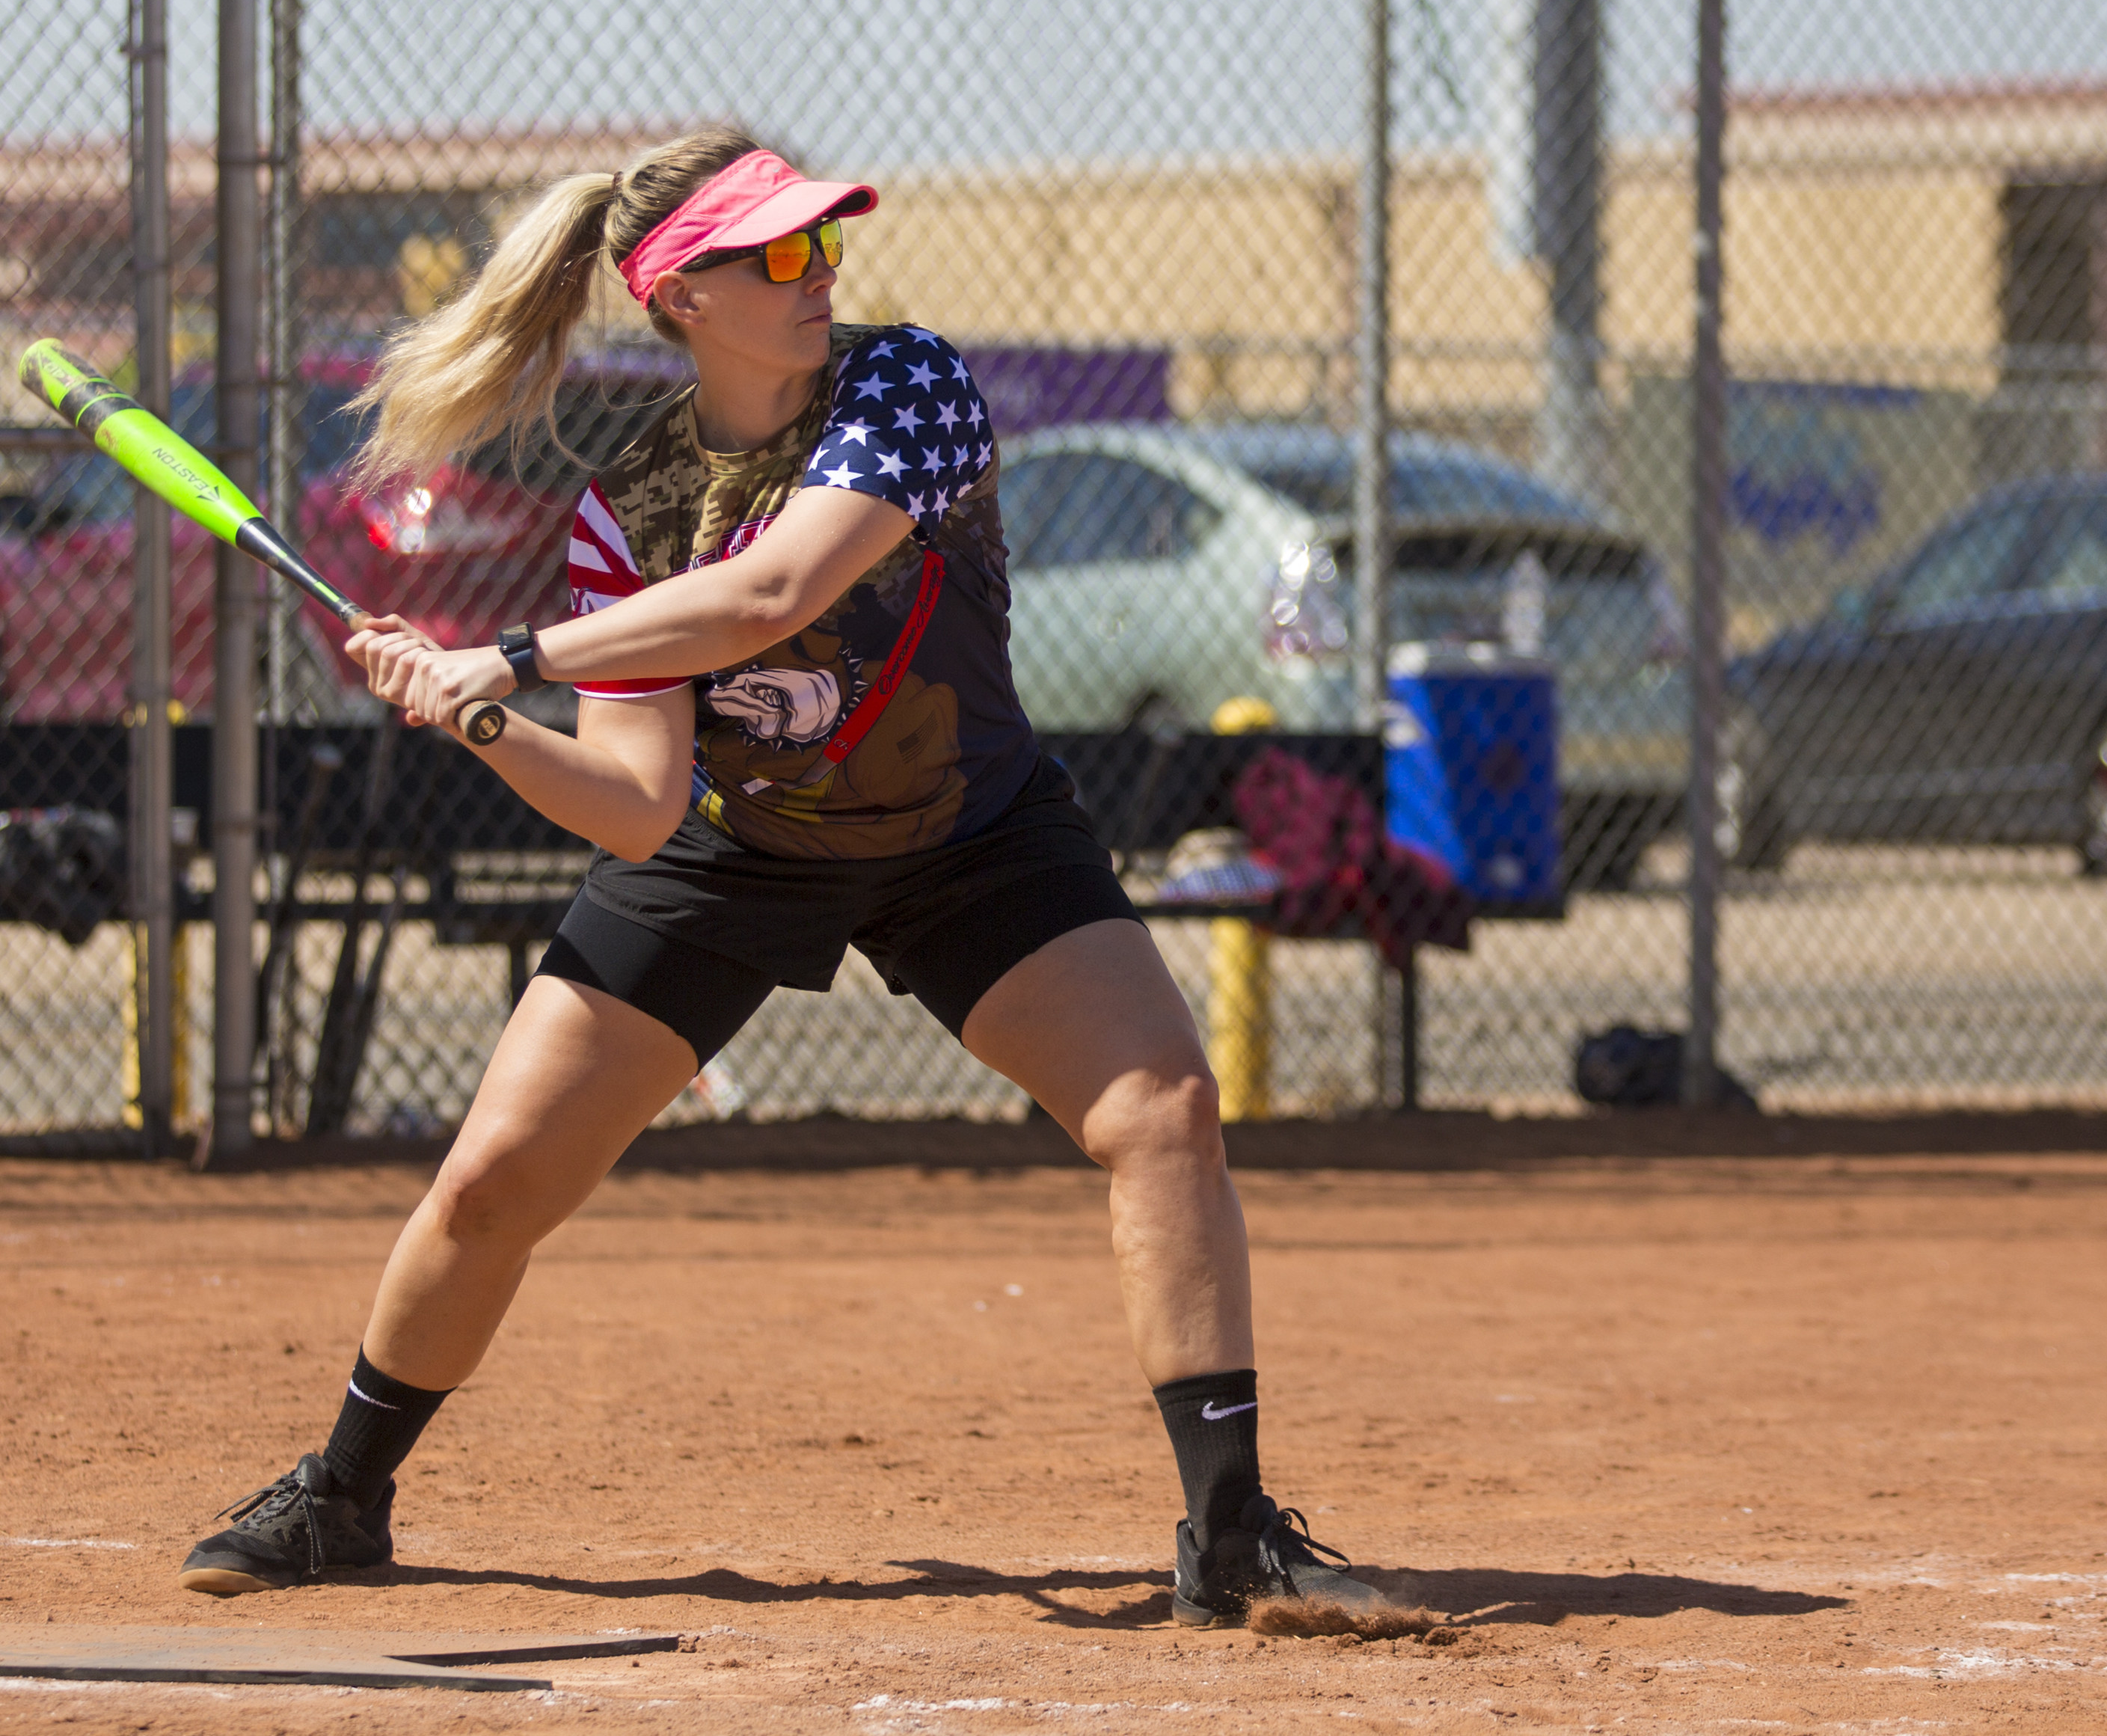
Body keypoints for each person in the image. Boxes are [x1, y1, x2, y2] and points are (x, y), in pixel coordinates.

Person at [177, 128, 1393, 1631]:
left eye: (823, 240)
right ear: (676, 294)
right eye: (777, 250)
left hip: (969, 834)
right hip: (739, 850)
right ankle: (343, 1493)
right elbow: (632, 805)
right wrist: (483, 718)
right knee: (492, 1181)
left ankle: (1228, 1535)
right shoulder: (627, 508)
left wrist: (504, 655)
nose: (818, 271)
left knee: (1161, 1113)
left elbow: (774, 589)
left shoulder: (905, 384)